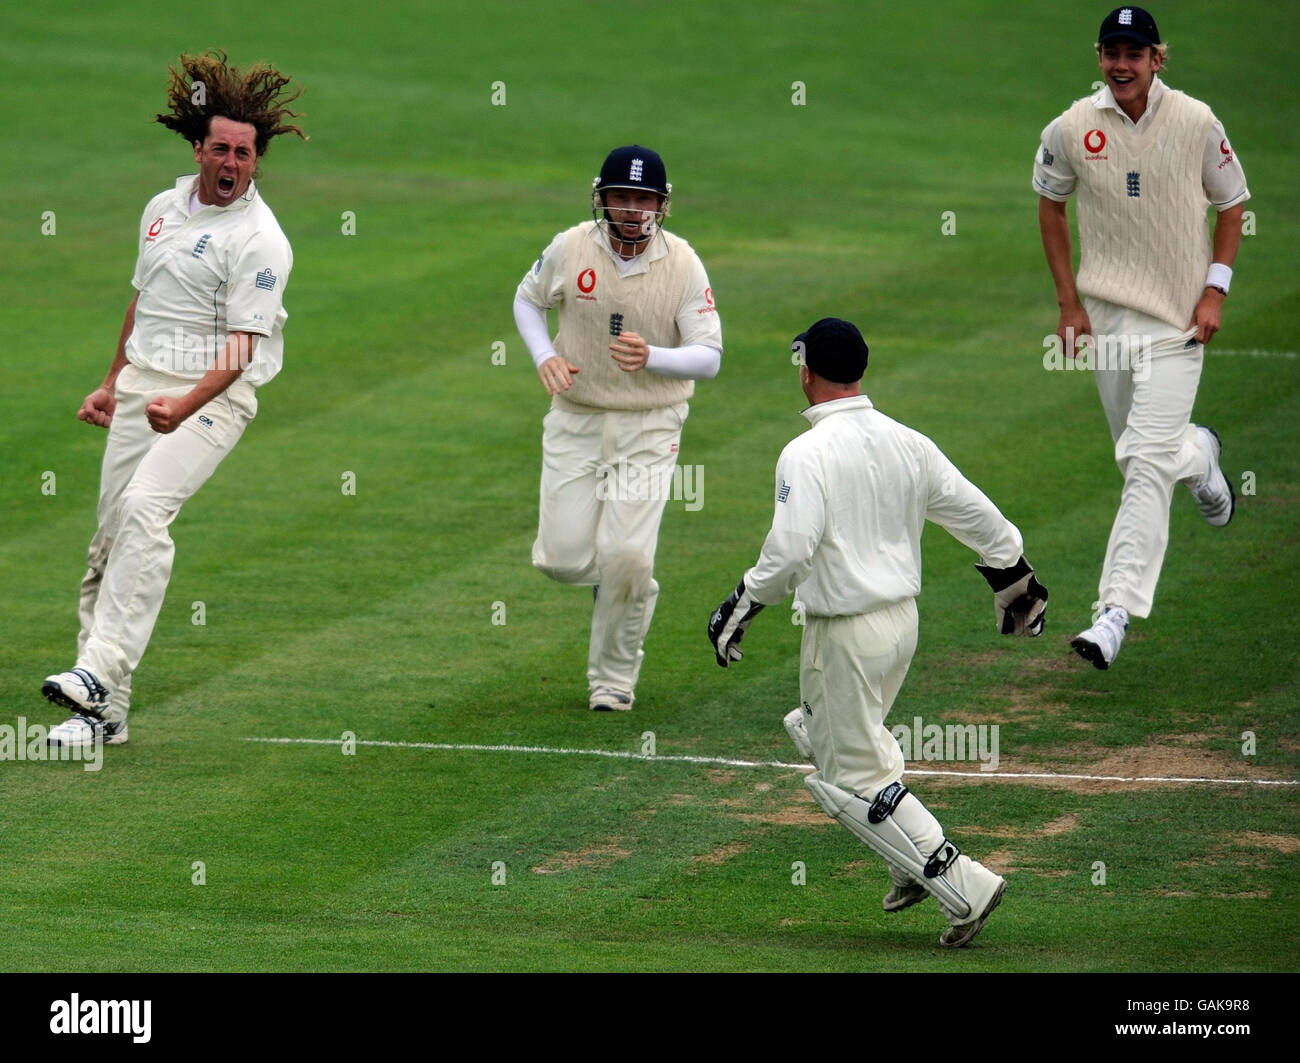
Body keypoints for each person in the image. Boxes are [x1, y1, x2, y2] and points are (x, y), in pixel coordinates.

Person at [708, 318, 1048, 947]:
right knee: (818, 732)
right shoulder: (908, 442)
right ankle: (905, 863)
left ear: (806, 371)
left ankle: (962, 886)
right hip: (900, 629)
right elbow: (981, 516)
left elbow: (788, 553)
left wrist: (740, 606)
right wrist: (1017, 582)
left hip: (845, 634)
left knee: (850, 780)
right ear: (859, 372)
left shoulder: (805, 452)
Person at [42, 51, 305, 747]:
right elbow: (144, 302)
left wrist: (185, 405)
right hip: (140, 388)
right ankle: (102, 714)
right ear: (199, 148)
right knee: (104, 546)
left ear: (257, 160)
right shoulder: (162, 208)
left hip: (212, 397)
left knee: (144, 510)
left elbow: (243, 347)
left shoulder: (261, 240)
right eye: (221, 147)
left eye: (245, 153)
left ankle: (97, 671)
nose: (233, 161)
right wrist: (110, 382)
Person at [1034, 6, 1248, 669]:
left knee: (1146, 462)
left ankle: (1114, 613)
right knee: (1142, 457)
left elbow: (1233, 203)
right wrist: (1069, 303)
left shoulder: (1195, 121)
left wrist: (1215, 290)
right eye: (1111, 52)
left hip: (1179, 321)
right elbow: (1050, 204)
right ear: (1099, 57)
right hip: (1107, 323)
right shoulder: (1072, 128)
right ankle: (1202, 456)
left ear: (1159, 58)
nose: (1121, 64)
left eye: (1135, 52)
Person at [514, 146, 722, 711]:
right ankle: (626, 582)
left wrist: (653, 355)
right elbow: (527, 299)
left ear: (662, 204)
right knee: (560, 560)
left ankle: (613, 678)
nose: (632, 210)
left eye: (644, 200)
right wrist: (542, 357)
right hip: (576, 417)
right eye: (621, 198)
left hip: (651, 426)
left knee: (629, 557)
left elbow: (709, 357)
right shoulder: (572, 245)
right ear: (602, 198)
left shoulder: (683, 263)